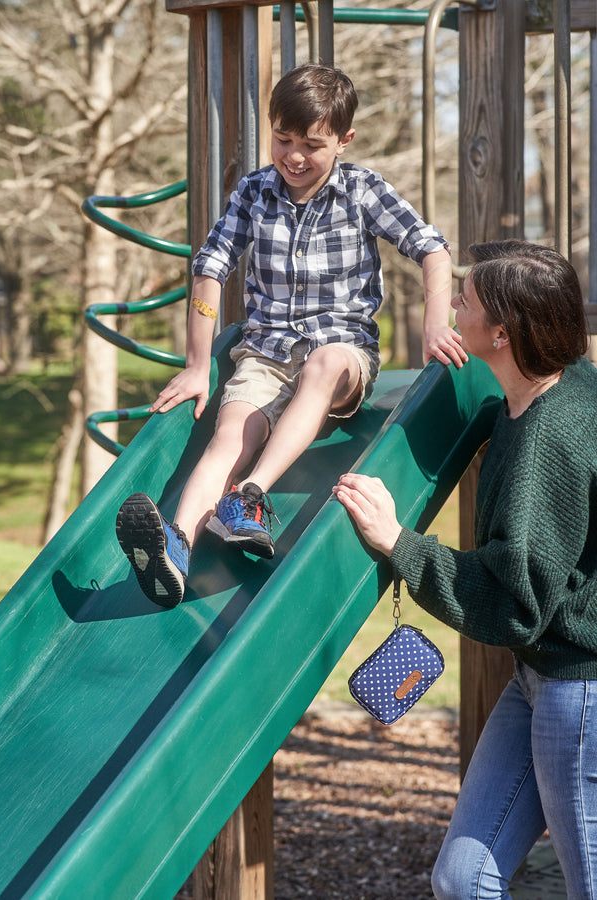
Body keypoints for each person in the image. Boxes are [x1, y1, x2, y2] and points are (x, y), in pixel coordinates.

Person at [115, 63, 467, 609]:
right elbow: (211, 268)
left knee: (324, 364)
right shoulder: (254, 192)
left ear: (343, 141)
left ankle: (250, 497)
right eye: (283, 139)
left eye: (312, 144)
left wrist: (436, 321)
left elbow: (432, 249)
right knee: (232, 430)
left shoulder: (362, 190)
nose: (294, 156)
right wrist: (194, 362)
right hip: (266, 349)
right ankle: (176, 547)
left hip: (341, 352)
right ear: (271, 129)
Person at [333, 239, 597, 900]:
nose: (453, 302)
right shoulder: (542, 389)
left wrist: (399, 541)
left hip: (580, 690)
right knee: (462, 878)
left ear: (501, 334)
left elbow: (514, 600)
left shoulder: (548, 439)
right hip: (540, 676)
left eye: (466, 299)